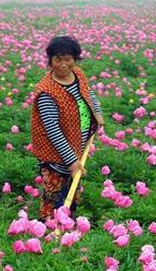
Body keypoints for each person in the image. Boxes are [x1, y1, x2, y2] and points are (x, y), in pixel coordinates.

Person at [30, 36, 104, 220]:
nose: (63, 64)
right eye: (58, 59)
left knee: (72, 192)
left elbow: (88, 92)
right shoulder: (47, 92)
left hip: (77, 144)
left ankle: (68, 226)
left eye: (68, 59)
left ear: (75, 59)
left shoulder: (77, 75)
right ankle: (49, 231)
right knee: (55, 197)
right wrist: (71, 162)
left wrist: (97, 112)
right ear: (50, 61)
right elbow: (53, 131)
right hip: (55, 155)